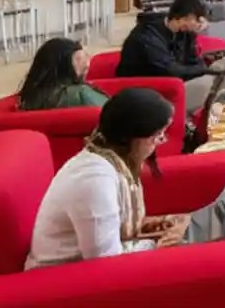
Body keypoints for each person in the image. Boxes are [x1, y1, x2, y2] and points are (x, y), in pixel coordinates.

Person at [26, 88, 178, 269]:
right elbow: (105, 264)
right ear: (132, 138)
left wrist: (146, 229)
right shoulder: (94, 179)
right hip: (61, 279)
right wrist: (157, 245)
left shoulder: (108, 160)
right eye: (157, 136)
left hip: (84, 269)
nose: (159, 144)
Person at [117, 0, 220, 116]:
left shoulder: (182, 31)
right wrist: (204, 70)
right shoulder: (148, 36)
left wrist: (193, 36)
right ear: (186, 17)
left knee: (208, 88)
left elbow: (192, 61)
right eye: (198, 20)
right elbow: (169, 70)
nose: (200, 25)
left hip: (164, 82)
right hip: (139, 88)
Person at [17, 38, 108, 110]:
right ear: (62, 66)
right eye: (78, 59)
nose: (87, 64)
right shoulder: (81, 95)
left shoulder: (29, 99)